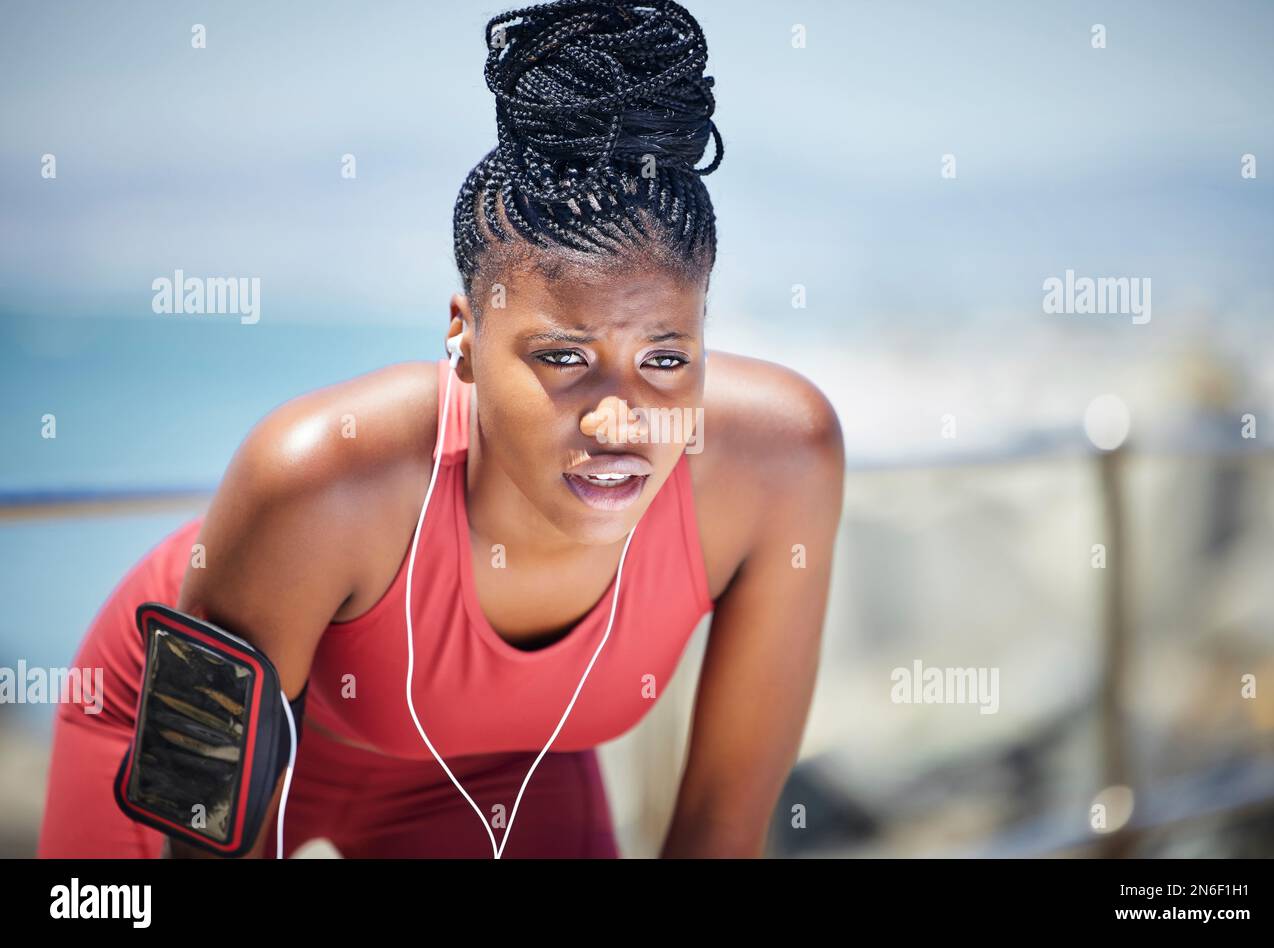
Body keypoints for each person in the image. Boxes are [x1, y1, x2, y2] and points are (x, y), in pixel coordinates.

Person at [37, 0, 844, 859]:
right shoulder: (320, 479)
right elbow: (205, 839)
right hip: (183, 753)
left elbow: (718, 831)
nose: (620, 421)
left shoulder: (781, 464)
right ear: (465, 335)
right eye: (564, 358)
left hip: (494, 770)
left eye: (666, 358)